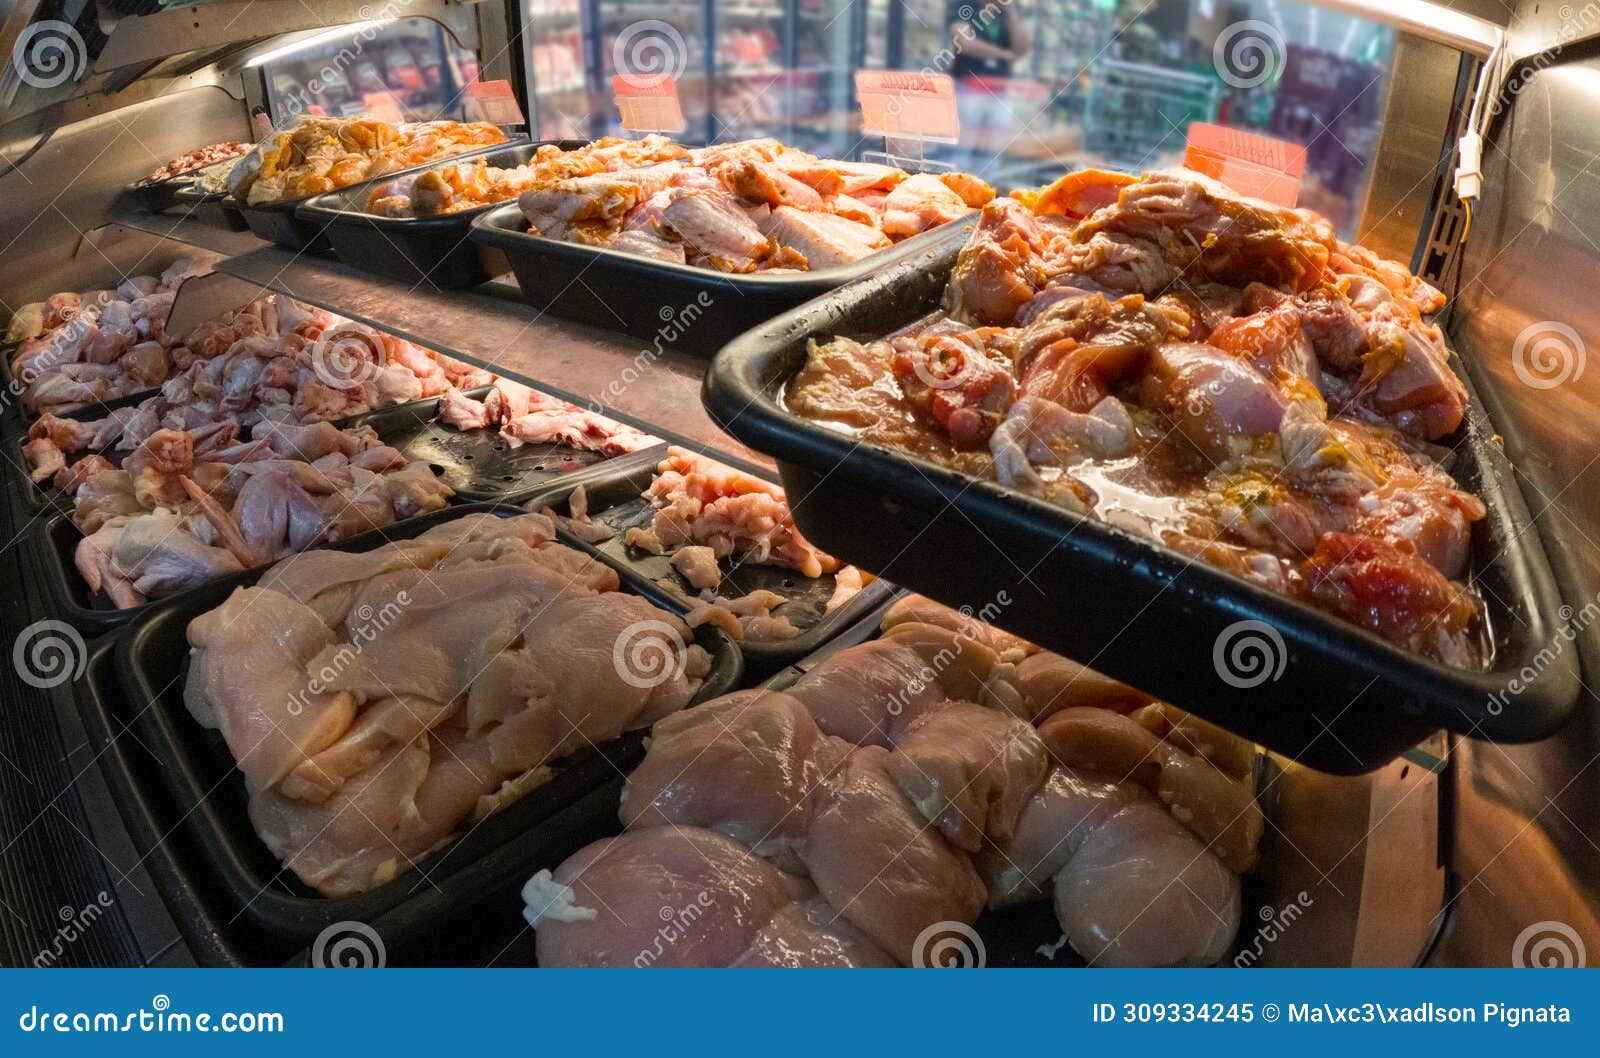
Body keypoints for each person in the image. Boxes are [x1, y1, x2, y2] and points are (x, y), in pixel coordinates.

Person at [946, 1, 1031, 175]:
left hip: (999, 91)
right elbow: (964, 42)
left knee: (991, 152)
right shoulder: (962, 5)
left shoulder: (1006, 11)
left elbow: (1021, 48)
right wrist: (1003, 54)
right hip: (967, 88)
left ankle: (984, 191)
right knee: (960, 150)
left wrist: (1012, 13)